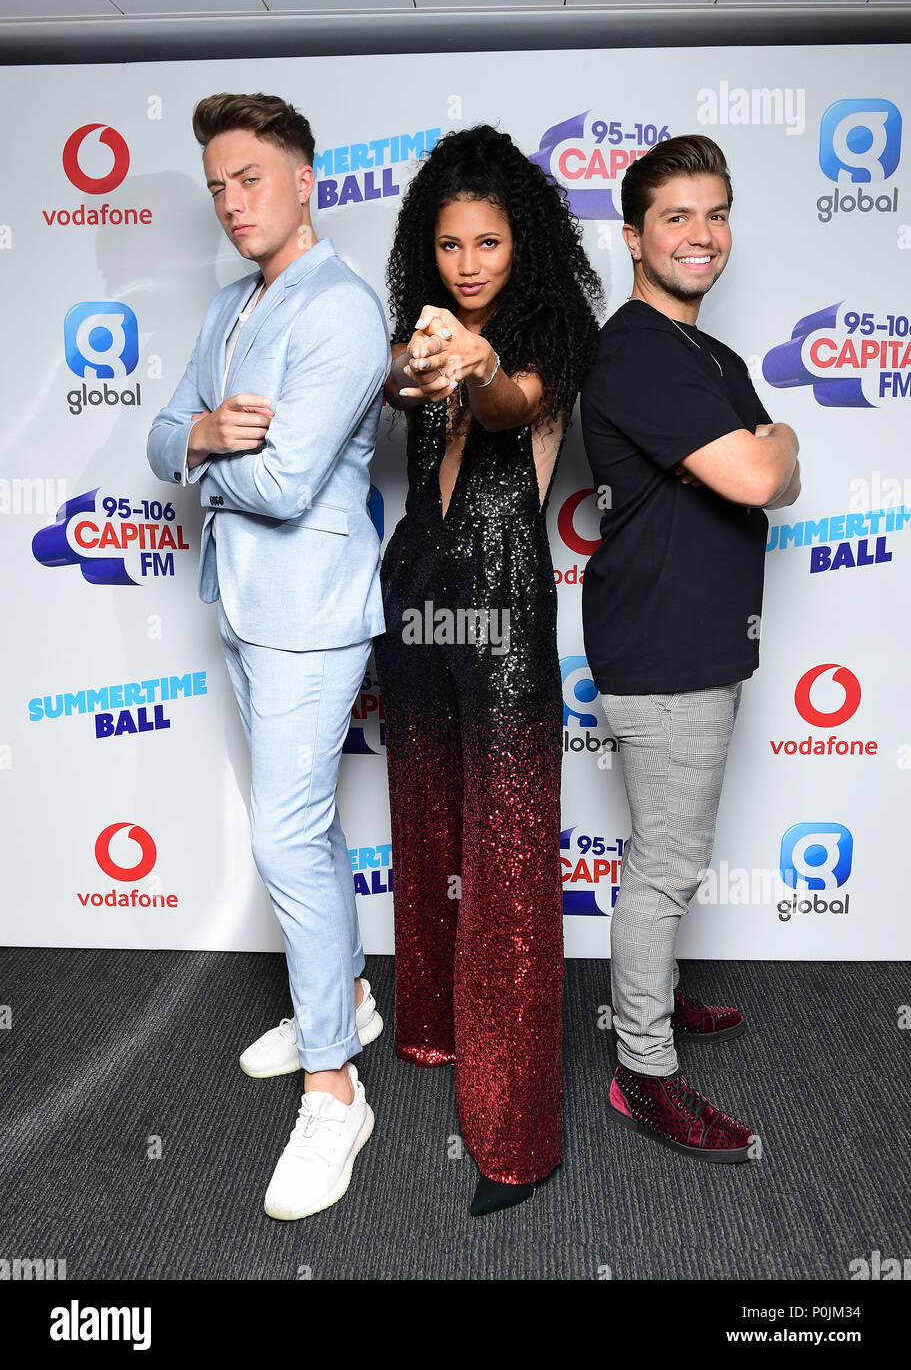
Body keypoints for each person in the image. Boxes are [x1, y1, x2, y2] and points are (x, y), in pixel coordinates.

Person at [147, 93, 390, 1219]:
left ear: (306, 179)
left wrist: (213, 462)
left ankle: (334, 1086)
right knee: (309, 825)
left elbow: (289, 483)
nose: (234, 203)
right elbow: (162, 435)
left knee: (287, 833)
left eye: (252, 179)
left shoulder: (339, 311)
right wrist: (202, 435)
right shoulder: (228, 306)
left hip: (309, 611)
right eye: (217, 187)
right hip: (242, 606)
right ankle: (337, 989)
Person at [375, 124, 602, 1215]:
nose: (468, 263)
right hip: (414, 588)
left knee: (508, 859)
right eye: (450, 244)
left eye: (489, 243)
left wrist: (474, 368)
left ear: (525, 246)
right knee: (421, 817)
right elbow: (396, 394)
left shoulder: (550, 331)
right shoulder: (420, 332)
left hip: (505, 608)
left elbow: (513, 405)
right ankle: (426, 1030)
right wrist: (417, 364)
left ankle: (516, 1138)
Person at [580, 134, 800, 1162]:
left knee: (662, 857)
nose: (699, 234)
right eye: (674, 216)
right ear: (632, 236)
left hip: (704, 643)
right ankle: (643, 1071)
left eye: (713, 213)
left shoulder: (710, 357)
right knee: (661, 869)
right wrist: (773, 444)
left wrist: (772, 446)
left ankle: (652, 998)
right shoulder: (630, 347)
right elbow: (764, 472)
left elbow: (771, 462)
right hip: (661, 648)